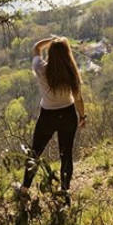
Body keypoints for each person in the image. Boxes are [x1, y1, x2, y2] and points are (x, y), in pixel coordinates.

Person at [19, 35, 87, 197]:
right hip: (68, 114)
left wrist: (52, 40)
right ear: (67, 53)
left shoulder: (40, 68)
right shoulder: (72, 73)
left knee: (35, 152)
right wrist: (82, 116)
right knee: (66, 154)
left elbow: (36, 47)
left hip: (48, 116)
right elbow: (78, 98)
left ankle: (24, 189)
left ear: (50, 53)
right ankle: (64, 190)